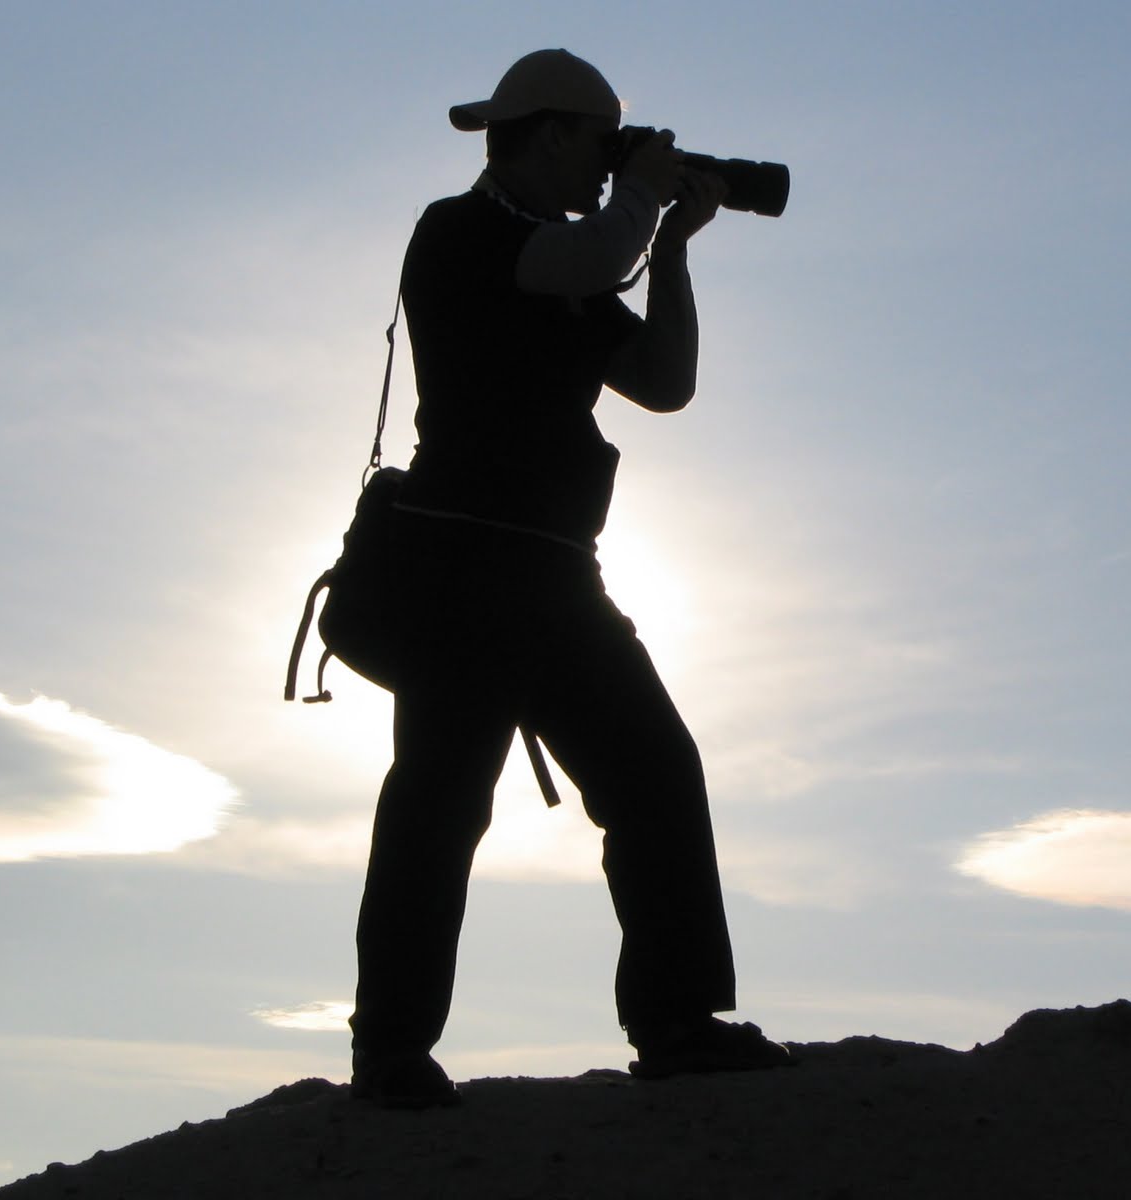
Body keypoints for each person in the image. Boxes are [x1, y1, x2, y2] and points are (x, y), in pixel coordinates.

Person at [347, 48, 791, 1108]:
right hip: (461, 564)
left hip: (559, 576)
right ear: (546, 136)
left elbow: (663, 385)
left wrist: (673, 248)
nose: (607, 170)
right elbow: (585, 259)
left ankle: (679, 1022)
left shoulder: (579, 251)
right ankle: (391, 1051)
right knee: (441, 806)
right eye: (599, 147)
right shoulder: (462, 233)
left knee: (654, 774)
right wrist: (643, 192)